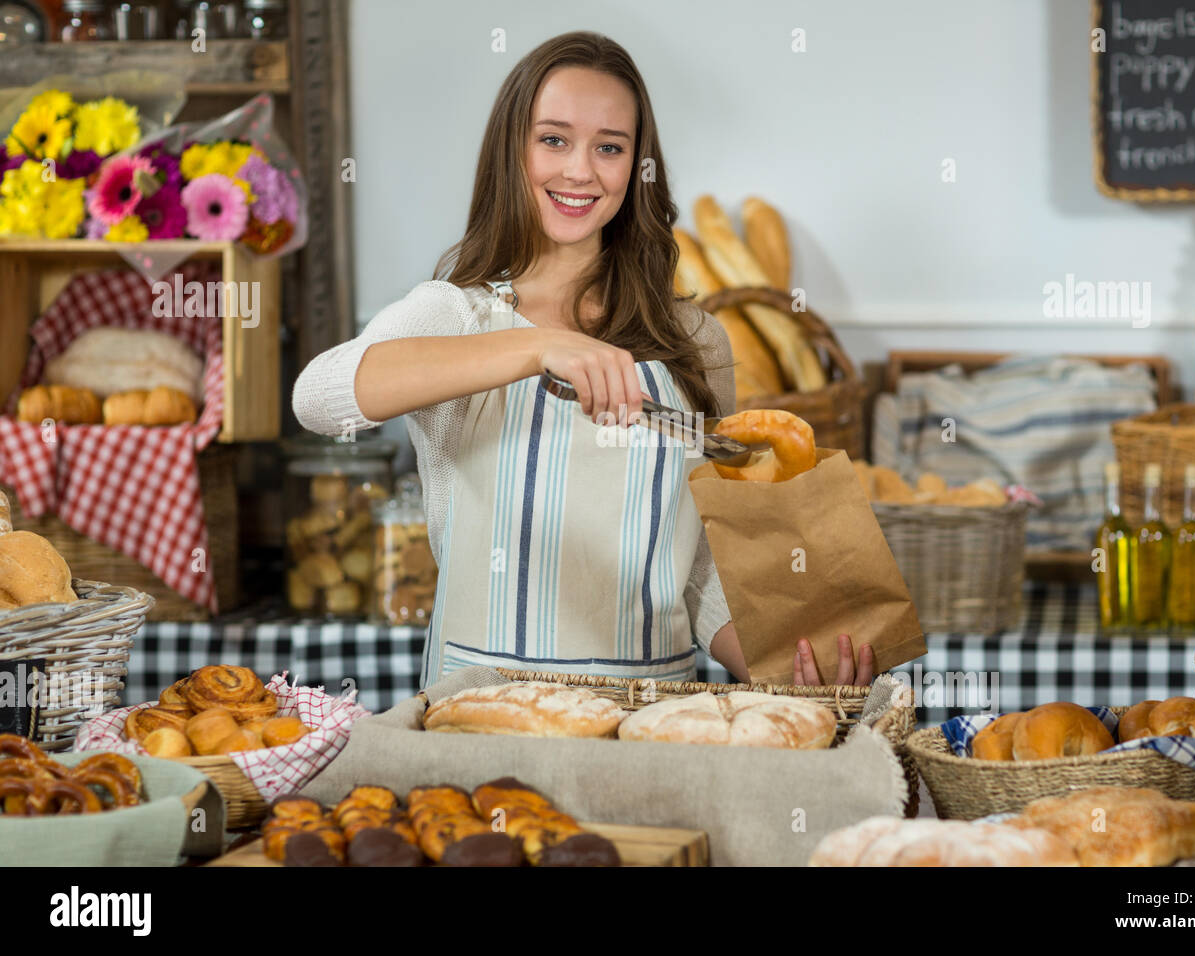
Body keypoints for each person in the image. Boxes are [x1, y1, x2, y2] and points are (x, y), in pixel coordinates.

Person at [293, 31, 874, 690]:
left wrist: (779, 664)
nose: (580, 170)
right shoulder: (457, 316)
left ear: (636, 166)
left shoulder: (694, 340)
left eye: (609, 147)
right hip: (483, 726)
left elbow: (695, 566)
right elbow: (318, 397)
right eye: (553, 139)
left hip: (651, 722)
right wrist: (538, 345)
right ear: (512, 150)